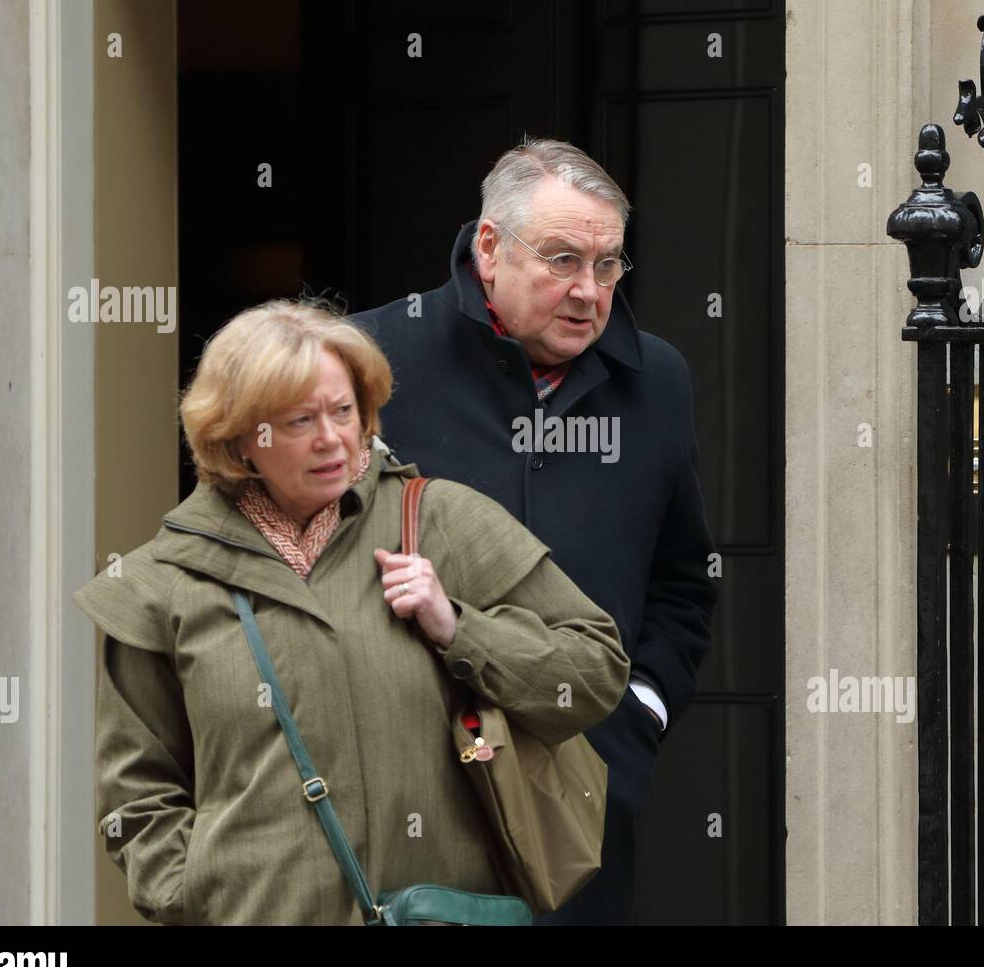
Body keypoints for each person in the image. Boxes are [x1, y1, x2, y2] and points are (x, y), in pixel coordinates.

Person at [73, 300, 630, 925]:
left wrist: (458, 628)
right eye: (298, 421)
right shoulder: (164, 583)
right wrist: (198, 897)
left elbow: (594, 672)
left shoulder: (440, 521)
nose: (332, 438)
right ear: (237, 438)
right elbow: (136, 793)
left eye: (343, 411)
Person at [357, 137, 719, 925]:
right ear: (490, 248)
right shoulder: (371, 359)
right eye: (561, 260)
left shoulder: (657, 381)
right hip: (407, 793)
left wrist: (638, 714)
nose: (590, 291)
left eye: (609, 265)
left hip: (580, 793)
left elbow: (687, 578)